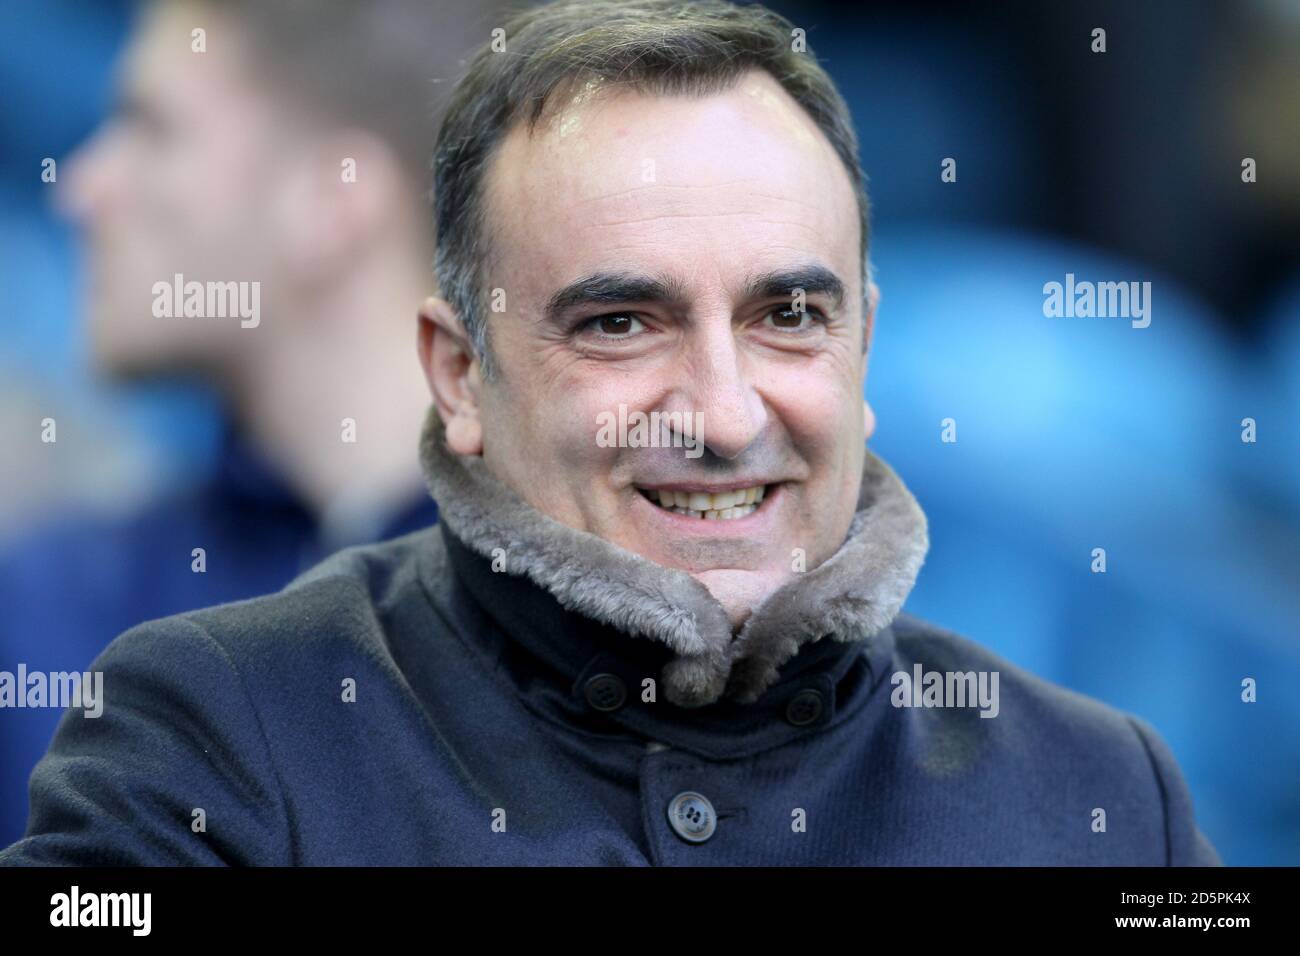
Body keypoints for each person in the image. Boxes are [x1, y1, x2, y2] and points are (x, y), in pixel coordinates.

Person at [0, 0, 1221, 865]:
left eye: (789, 314)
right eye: (622, 322)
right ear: (458, 374)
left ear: (863, 351)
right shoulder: (208, 736)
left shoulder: (1109, 792)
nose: (725, 410)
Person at [0, 0, 503, 846]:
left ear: (332, 201)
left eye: (150, 128)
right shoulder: (50, 606)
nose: (83, 188)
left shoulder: (568, 592)